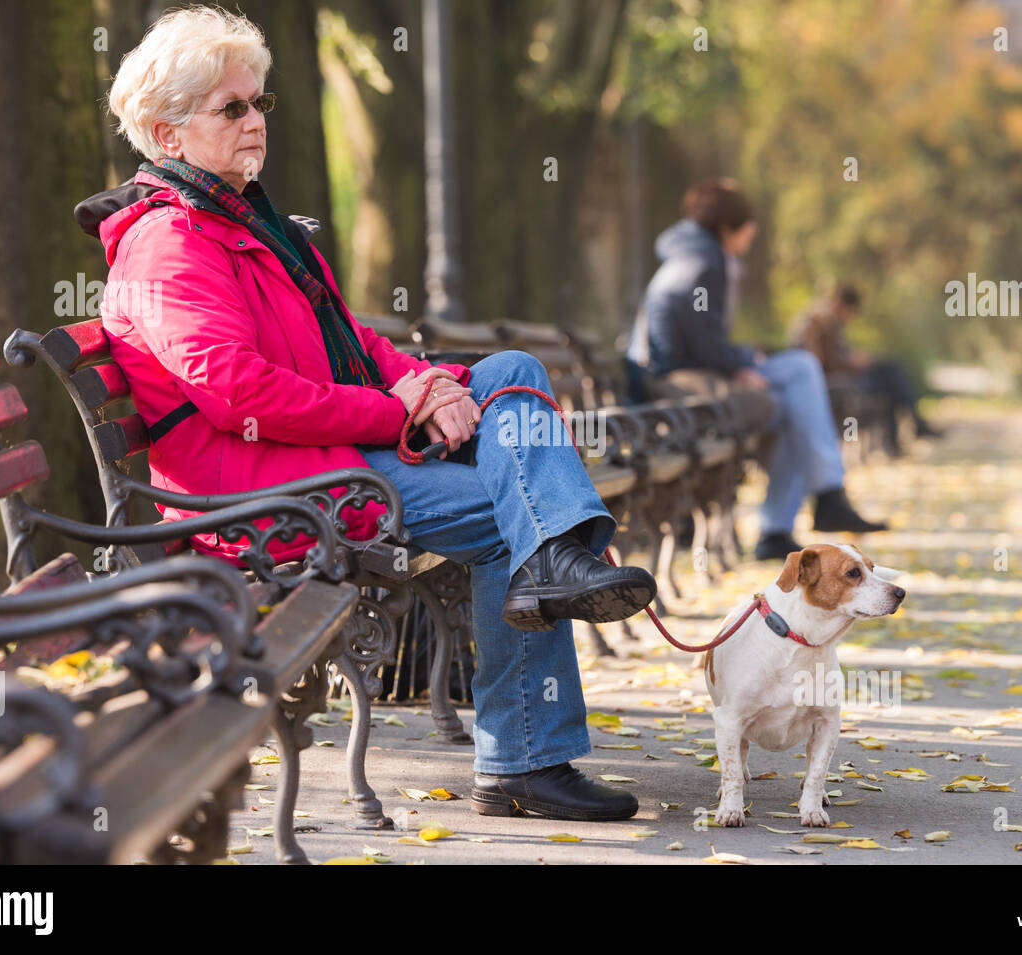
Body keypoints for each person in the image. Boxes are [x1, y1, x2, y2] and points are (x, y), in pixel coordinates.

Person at [85, 6, 656, 821]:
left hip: (326, 457)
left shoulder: (260, 226)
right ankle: (526, 751)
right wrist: (393, 413)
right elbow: (236, 391)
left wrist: (434, 385)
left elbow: (356, 346)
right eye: (232, 109)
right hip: (262, 491)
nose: (256, 123)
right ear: (167, 135)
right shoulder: (168, 244)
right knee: (514, 517)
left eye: (260, 104)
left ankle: (558, 564)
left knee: (511, 371)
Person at [626, 178, 887, 561]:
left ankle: (783, 527)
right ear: (728, 228)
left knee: (791, 406)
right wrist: (742, 362)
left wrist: (743, 361)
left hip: (674, 375)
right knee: (799, 373)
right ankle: (823, 497)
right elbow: (700, 340)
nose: (752, 237)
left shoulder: (691, 253)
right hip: (675, 383)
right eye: (748, 228)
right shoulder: (705, 259)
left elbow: (698, 335)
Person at [792, 285, 942, 448]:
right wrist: (852, 363)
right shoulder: (820, 323)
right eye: (851, 312)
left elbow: (836, 355)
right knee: (890, 374)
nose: (851, 318)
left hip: (843, 376)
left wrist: (856, 359)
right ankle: (915, 425)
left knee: (890, 372)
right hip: (836, 381)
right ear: (840, 305)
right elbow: (824, 361)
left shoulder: (829, 323)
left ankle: (902, 436)